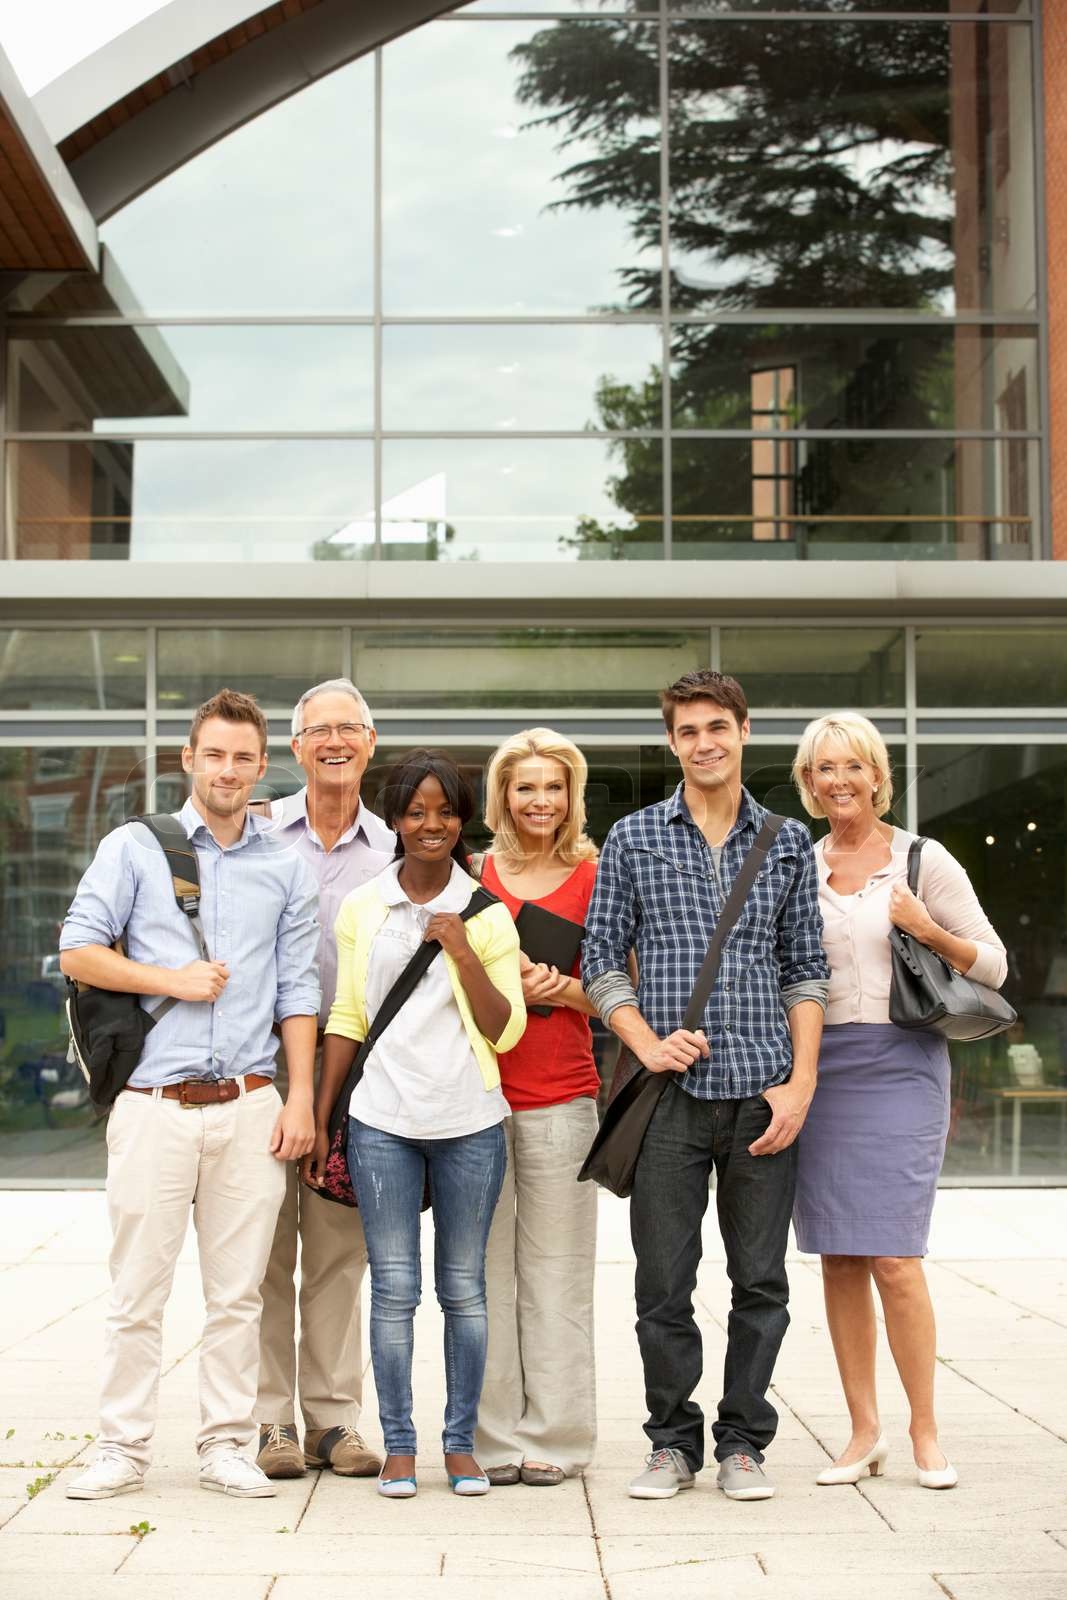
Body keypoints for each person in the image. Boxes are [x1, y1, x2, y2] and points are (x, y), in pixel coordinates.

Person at [60, 689, 320, 1501]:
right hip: (152, 1104)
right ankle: (122, 1448)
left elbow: (298, 994)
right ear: (189, 758)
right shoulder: (135, 848)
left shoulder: (285, 865)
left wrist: (300, 1097)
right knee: (138, 1290)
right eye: (215, 754)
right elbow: (77, 951)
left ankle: (224, 1444)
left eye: (245, 757)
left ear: (260, 763)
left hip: (249, 1104)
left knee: (237, 1295)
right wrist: (167, 979)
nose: (230, 770)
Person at [582, 669, 830, 1503]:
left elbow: (804, 970)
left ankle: (743, 1443)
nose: (703, 743)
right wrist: (645, 1042)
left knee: (761, 1280)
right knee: (663, 1281)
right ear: (672, 742)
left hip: (764, 1093)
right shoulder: (634, 837)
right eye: (687, 731)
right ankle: (669, 1443)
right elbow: (599, 962)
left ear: (744, 731)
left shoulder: (787, 840)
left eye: (716, 727)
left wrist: (801, 1085)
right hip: (670, 1104)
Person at [791, 712, 1008, 1491]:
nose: (839, 780)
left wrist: (925, 926)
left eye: (853, 766)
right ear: (808, 784)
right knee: (839, 1257)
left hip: (902, 1064)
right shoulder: (800, 862)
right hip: (821, 1067)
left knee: (894, 1255)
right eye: (823, 769)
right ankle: (860, 1431)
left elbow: (993, 964)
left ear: (879, 776)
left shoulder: (924, 858)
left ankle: (923, 1429)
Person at [303, 749, 525, 1499]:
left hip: (469, 1123)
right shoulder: (364, 906)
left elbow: (505, 1030)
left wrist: (461, 950)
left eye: (444, 811)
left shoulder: (486, 911)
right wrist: (324, 1116)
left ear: (462, 819)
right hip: (379, 1123)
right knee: (394, 1290)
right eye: (414, 811)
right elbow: (347, 1017)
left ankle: (458, 1446)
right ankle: (400, 1446)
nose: (430, 824)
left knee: (463, 1290)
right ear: (394, 819)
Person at [255, 678, 394, 1481]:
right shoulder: (260, 832)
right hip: (264, 1066)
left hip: (359, 1076)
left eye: (349, 728)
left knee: (343, 1254)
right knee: (264, 1254)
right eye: (319, 730)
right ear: (297, 747)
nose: (335, 741)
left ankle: (334, 1421)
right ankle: (271, 1421)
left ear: (370, 742)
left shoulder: (395, 846)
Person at [474, 729, 601, 1487]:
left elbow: (627, 990)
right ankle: (491, 1441)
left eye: (553, 787)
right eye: (526, 787)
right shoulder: (471, 874)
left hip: (561, 1098)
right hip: (477, 1104)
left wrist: (561, 989)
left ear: (570, 796)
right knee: (483, 1277)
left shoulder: (594, 874)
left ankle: (553, 1438)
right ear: (503, 795)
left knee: (557, 1275)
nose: (540, 802)